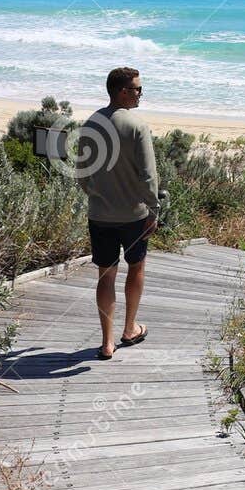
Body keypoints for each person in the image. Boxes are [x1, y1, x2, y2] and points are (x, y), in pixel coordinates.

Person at [76, 66, 160, 360]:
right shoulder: (137, 126)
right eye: (137, 89)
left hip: (99, 214)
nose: (140, 94)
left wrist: (97, 196)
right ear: (122, 91)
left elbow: (82, 174)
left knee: (105, 275)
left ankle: (107, 342)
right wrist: (154, 208)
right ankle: (129, 329)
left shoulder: (91, 123)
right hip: (134, 214)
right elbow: (149, 177)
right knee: (136, 268)